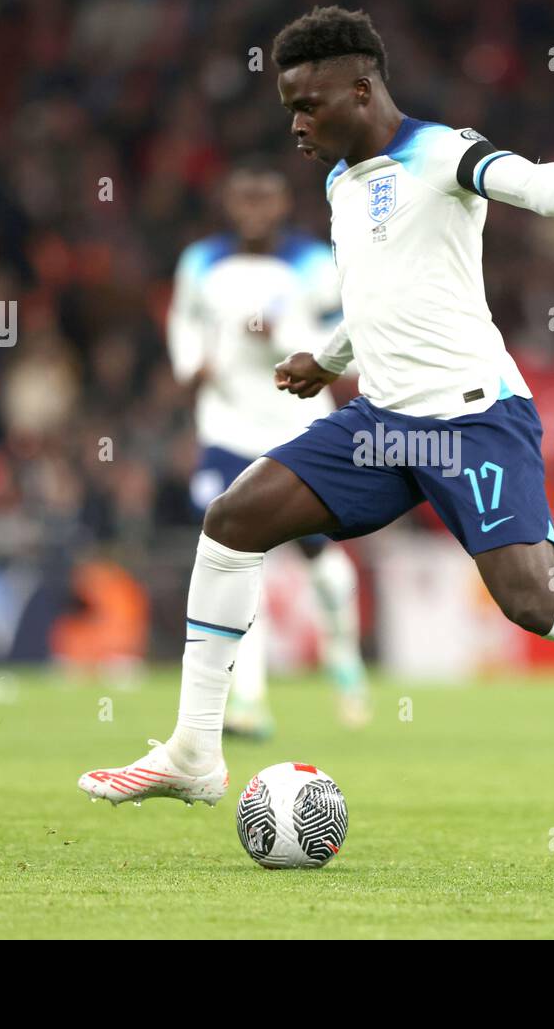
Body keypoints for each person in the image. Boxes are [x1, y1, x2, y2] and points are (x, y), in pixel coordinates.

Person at [80, 6, 554, 817]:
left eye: (308, 105)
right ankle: (196, 751)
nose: (297, 126)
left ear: (362, 87)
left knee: (534, 602)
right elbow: (381, 297)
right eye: (289, 111)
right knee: (232, 521)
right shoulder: (342, 183)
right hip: (381, 425)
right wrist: (328, 360)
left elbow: (522, 178)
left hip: (473, 420)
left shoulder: (440, 151)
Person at [165, 158, 371, 737]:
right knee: (234, 556)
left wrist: (282, 337)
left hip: (298, 428)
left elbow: (348, 340)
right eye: (243, 199)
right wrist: (190, 364)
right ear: (229, 204)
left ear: (283, 205)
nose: (254, 210)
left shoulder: (314, 263)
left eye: (265, 199)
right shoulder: (202, 261)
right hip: (227, 430)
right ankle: (248, 702)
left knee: (320, 561)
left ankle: (344, 659)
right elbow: (183, 321)